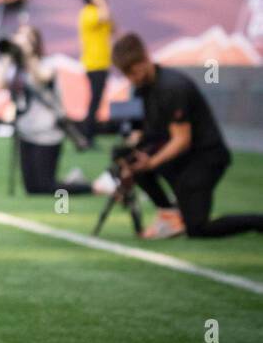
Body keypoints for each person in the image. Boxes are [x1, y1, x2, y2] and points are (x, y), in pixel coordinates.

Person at [111, 32, 263, 240]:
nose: (132, 79)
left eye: (134, 71)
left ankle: (258, 222)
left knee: (197, 228)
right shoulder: (139, 91)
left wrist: (152, 162)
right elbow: (137, 135)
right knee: (128, 157)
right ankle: (169, 213)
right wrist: (124, 172)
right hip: (177, 158)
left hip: (205, 158)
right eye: (126, 74)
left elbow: (182, 140)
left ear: (145, 58)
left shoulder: (173, 87)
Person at [0, 24, 89, 196]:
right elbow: (1, 84)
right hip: (26, 132)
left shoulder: (48, 64)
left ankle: (87, 186)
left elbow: (41, 77)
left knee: (45, 186)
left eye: (26, 39)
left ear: (35, 43)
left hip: (47, 134)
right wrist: (8, 57)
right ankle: (73, 181)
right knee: (32, 188)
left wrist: (28, 55)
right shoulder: (17, 68)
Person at [77, 0, 112, 146]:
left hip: (104, 62)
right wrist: (102, 3)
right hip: (93, 63)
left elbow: (112, 28)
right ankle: (86, 134)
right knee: (94, 100)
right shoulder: (88, 13)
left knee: (97, 100)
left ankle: (88, 133)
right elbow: (103, 17)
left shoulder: (100, 12)